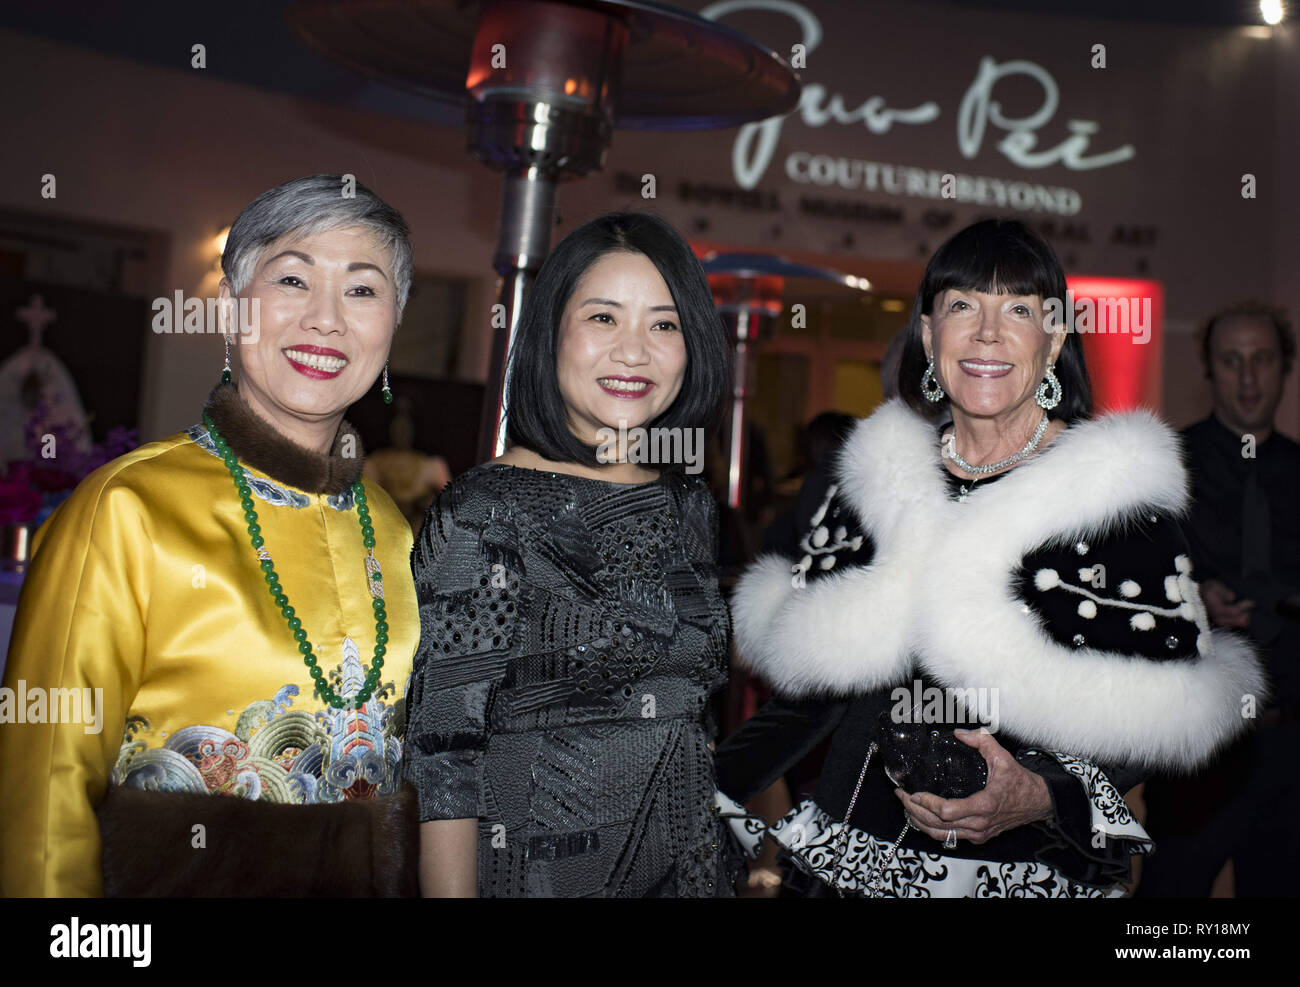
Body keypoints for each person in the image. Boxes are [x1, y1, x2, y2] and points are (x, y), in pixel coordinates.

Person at [714, 219, 1265, 897]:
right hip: (849, 865)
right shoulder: (875, 486)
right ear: (926, 334)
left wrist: (1039, 792)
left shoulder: (1115, 503)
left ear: (1054, 338)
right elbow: (810, 703)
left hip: (1033, 871)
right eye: (962, 305)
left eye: (1019, 310)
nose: (986, 334)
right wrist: (700, 794)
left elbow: (1157, 721)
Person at [0, 174, 420, 896]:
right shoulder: (127, 508)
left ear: (393, 323)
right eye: (292, 278)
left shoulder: (392, 526)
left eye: (362, 289)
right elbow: (44, 803)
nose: (326, 319)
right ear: (230, 308)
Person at [406, 212, 736, 897]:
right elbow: (443, 754)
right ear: (552, 332)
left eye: (664, 324)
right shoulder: (487, 508)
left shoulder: (690, 504)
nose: (635, 351)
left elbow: (697, 715)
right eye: (604, 318)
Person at [1139, 301, 1300, 896]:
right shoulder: (1166, 470)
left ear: (1286, 367)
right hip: (1199, 748)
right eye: (1232, 361)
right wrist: (1192, 602)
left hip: (1289, 748)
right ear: (1208, 369)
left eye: (1263, 359)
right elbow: (1130, 601)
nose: (1249, 377)